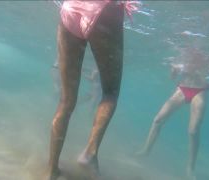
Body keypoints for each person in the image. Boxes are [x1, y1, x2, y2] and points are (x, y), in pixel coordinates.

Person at [45, 1, 140, 180]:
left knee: (66, 101)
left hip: (71, 8)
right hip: (105, 10)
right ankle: (89, 154)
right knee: (110, 93)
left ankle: (51, 172)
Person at [136, 47, 209, 180]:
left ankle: (190, 168)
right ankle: (146, 151)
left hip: (200, 91)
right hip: (182, 89)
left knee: (193, 131)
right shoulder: (183, 55)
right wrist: (173, 71)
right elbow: (172, 77)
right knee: (157, 120)